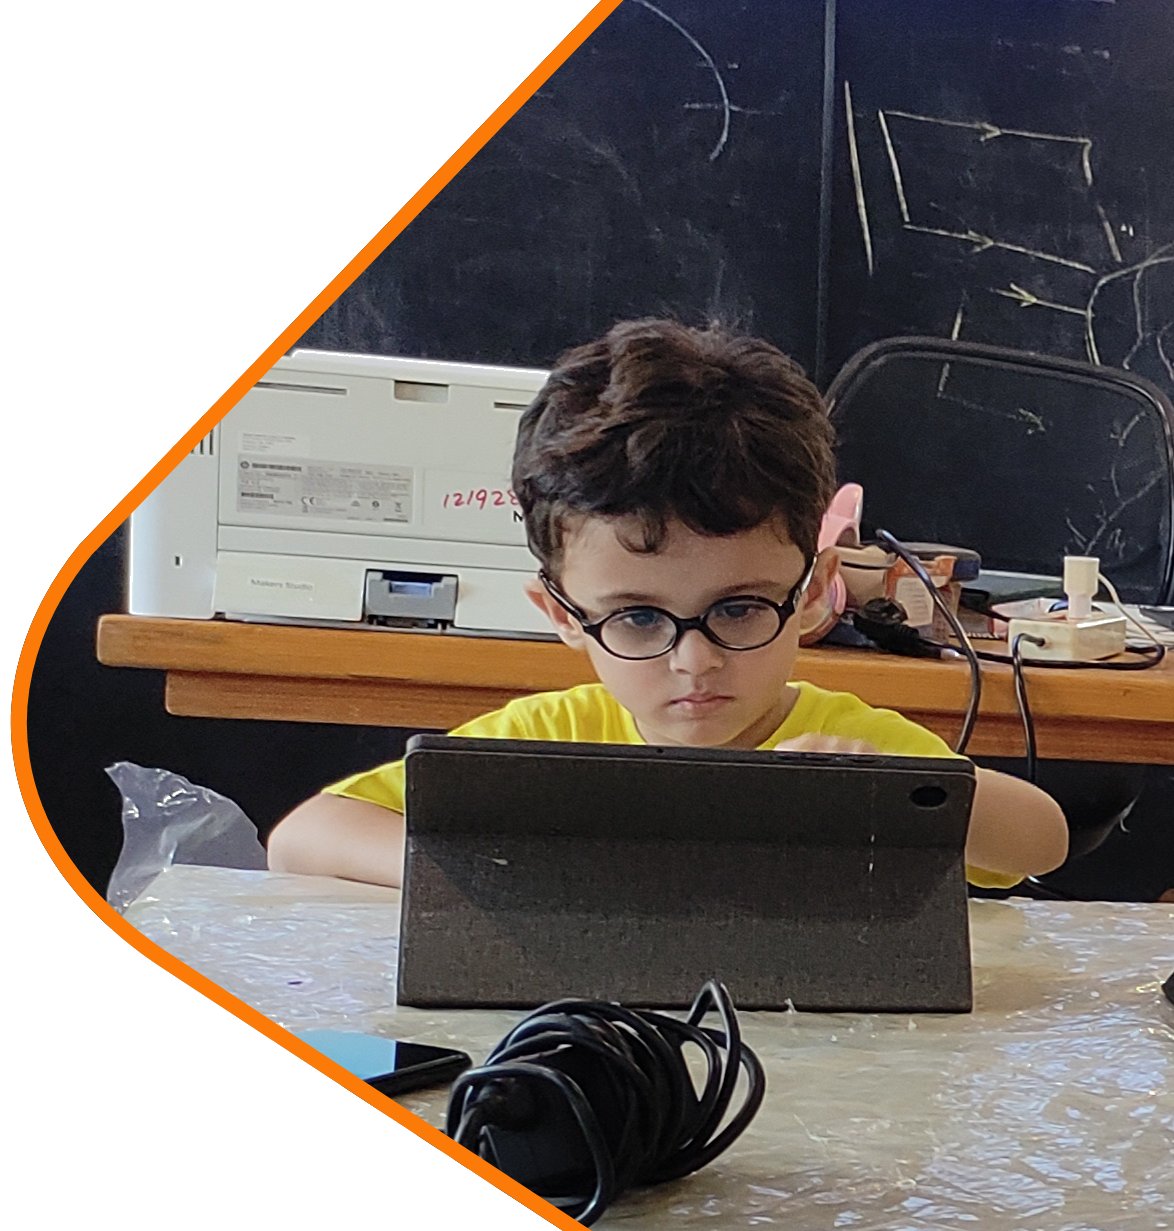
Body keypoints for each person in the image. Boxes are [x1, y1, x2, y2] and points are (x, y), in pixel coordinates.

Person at [263, 319, 1068, 890]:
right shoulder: (546, 745)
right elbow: (303, 838)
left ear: (814, 594)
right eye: (639, 618)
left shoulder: (842, 750)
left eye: (742, 608)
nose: (696, 661)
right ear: (562, 617)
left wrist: (898, 796)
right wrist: (485, 868)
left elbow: (1042, 840)